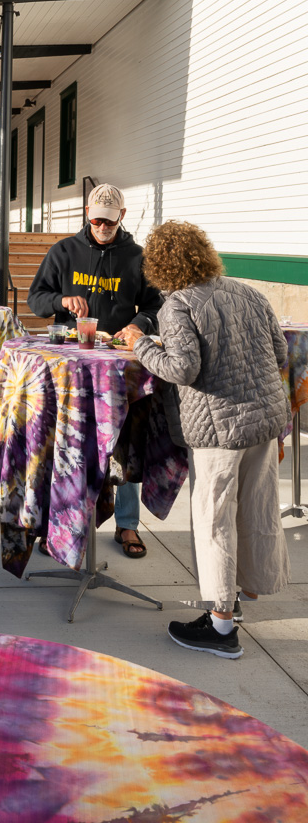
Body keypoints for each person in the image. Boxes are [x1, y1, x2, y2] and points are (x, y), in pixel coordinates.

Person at [124, 221, 290, 659]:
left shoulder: (176, 305)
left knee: (214, 521)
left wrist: (141, 345)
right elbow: (281, 354)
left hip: (219, 429)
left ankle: (221, 627)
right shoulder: (249, 292)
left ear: (160, 264)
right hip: (265, 420)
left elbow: (182, 369)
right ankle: (241, 595)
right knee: (255, 509)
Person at [27, 183, 164, 558]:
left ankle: (128, 525)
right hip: (72, 363)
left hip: (120, 364)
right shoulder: (64, 251)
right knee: (69, 443)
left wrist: (139, 324)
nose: (103, 225)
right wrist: (60, 299)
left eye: (110, 218)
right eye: (97, 218)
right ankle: (62, 524)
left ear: (122, 215)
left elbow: (156, 305)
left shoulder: (137, 256)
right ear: (88, 214)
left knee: (127, 439)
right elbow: (35, 299)